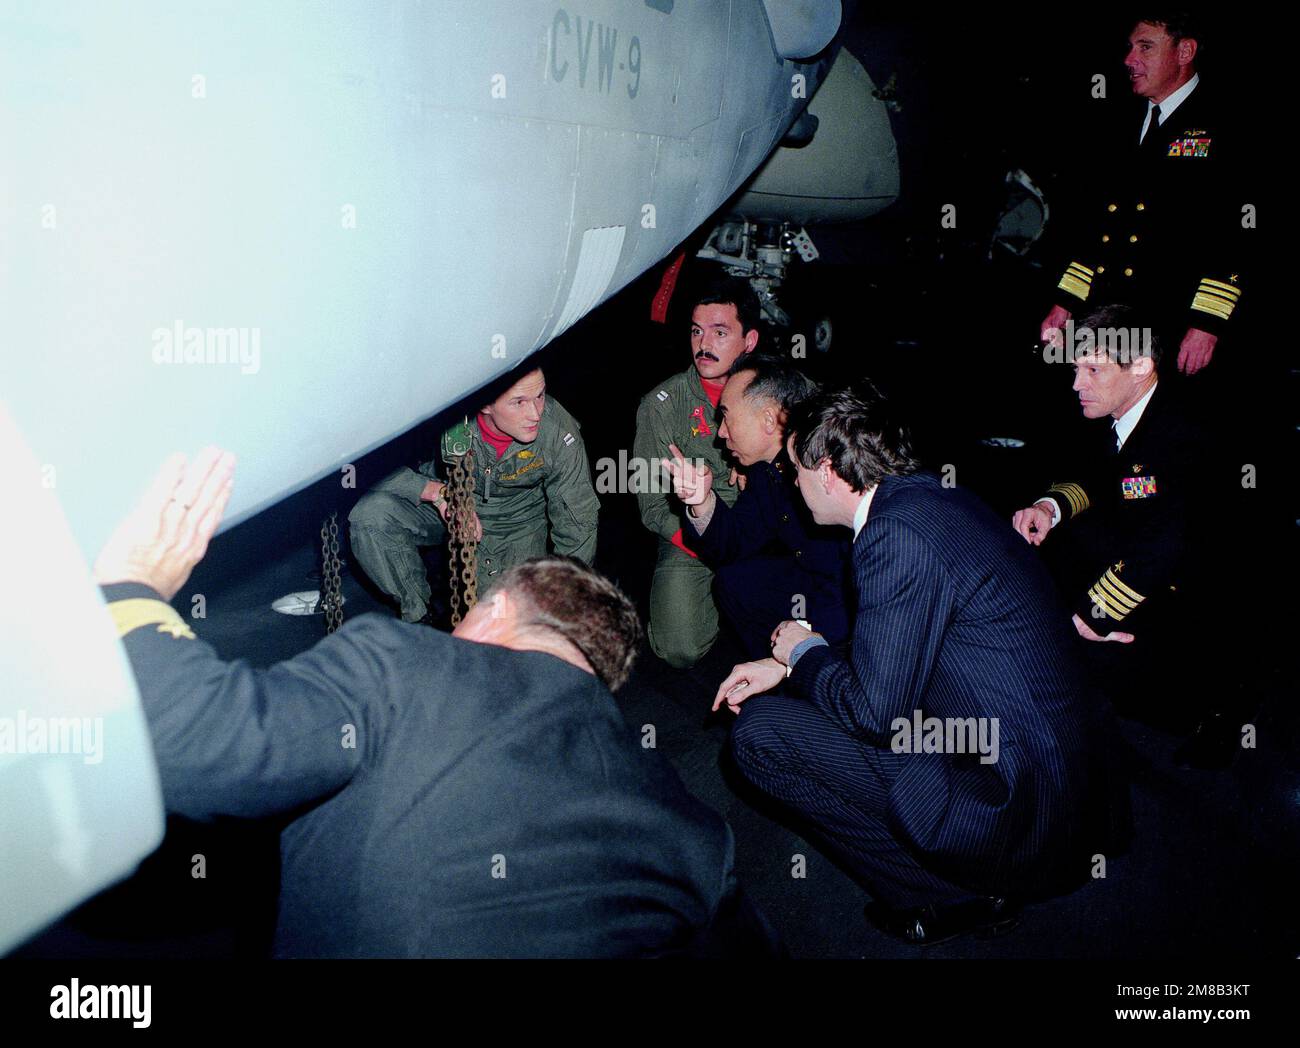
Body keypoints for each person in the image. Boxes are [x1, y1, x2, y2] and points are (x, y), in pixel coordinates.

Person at [91, 448, 777, 958]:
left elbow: (204, 747)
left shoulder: (403, 666)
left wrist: (129, 589)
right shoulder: (695, 835)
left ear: (498, 608)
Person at [711, 386, 1108, 944]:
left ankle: (955, 893)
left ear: (827, 470)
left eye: (796, 470)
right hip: (1053, 774)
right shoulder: (925, 500)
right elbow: (899, 643)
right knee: (805, 698)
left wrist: (802, 653)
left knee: (758, 737)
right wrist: (786, 667)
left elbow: (876, 713)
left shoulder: (891, 535)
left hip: (1008, 799)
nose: (793, 484)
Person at [1012, 304, 1237, 766]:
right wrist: (1049, 508)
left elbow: (1161, 547)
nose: (1077, 384)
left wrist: (1089, 617)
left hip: (1213, 584)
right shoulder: (1123, 405)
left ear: (1140, 367)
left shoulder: (1180, 437)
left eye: (1092, 370)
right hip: (1154, 547)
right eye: (1077, 369)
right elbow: (1098, 477)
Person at [1040, 13, 1245, 377]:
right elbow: (1096, 223)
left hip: (1177, 321)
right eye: (1130, 47)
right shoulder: (1117, 120)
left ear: (1185, 52)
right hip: (1110, 314)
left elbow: (1236, 235)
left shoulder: (1227, 122)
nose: (1129, 60)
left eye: (1145, 47)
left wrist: (1207, 324)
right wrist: (1066, 301)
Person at [348, 365, 599, 623]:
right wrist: (436, 492)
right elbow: (364, 466)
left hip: (515, 522)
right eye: (519, 402)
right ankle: (418, 617)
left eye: (540, 396)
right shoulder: (446, 411)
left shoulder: (557, 433)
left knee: (503, 622)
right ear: (485, 404)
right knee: (371, 516)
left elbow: (577, 521)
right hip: (446, 499)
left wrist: (563, 599)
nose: (535, 413)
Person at [662, 353, 852, 658]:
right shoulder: (766, 471)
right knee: (735, 581)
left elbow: (857, 586)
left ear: (768, 419)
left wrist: (804, 647)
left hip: (858, 599)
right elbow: (734, 544)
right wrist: (702, 502)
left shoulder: (830, 467)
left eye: (726, 415)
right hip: (814, 583)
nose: (720, 432)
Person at [632, 277, 759, 667]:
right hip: (692, 533)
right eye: (697, 331)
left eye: (720, 333)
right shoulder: (661, 405)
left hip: (762, 527)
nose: (704, 345)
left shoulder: (781, 393)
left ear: (749, 341)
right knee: (677, 648)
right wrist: (709, 548)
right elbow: (652, 505)